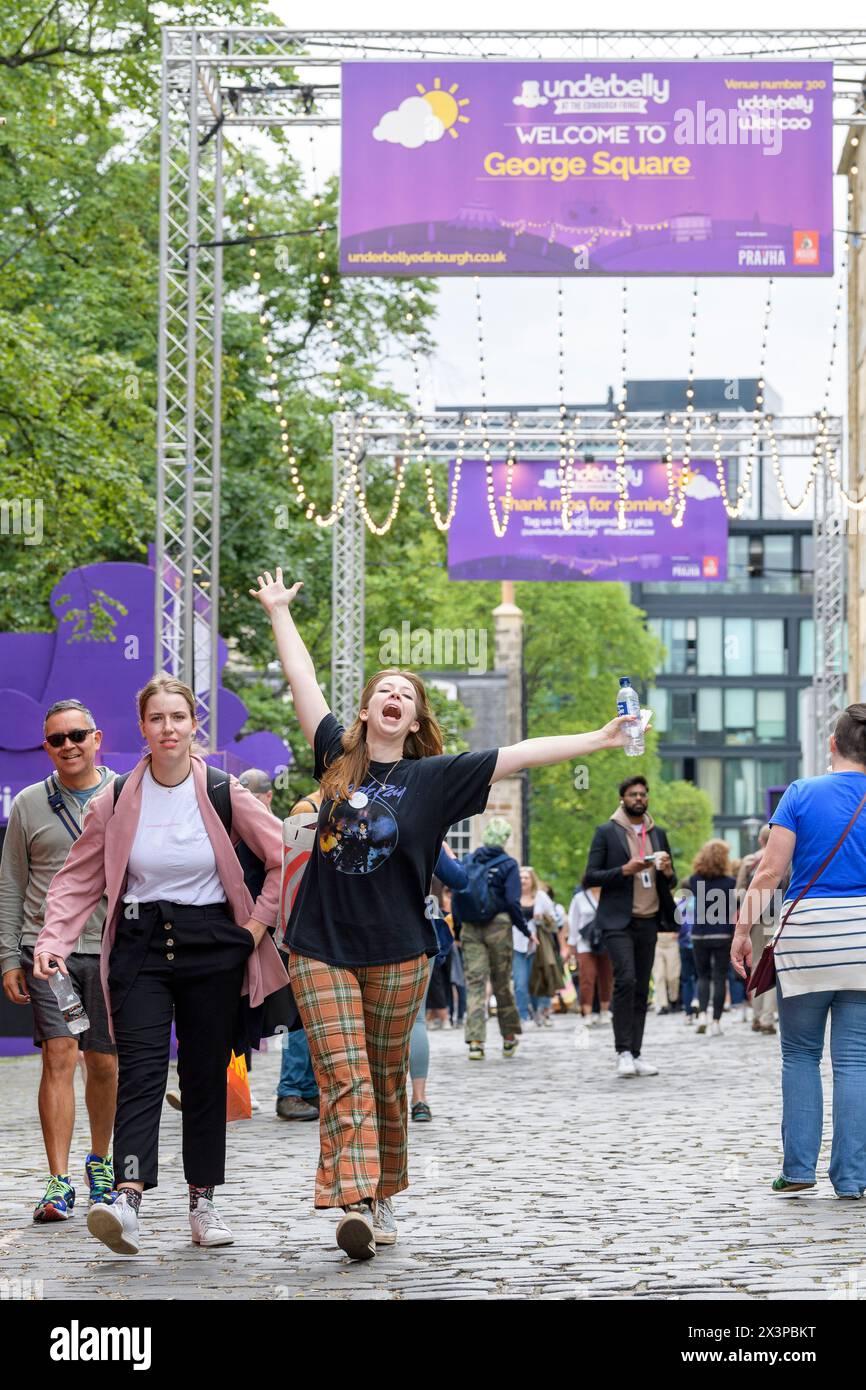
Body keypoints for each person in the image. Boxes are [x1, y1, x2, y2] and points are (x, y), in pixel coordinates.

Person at [253, 567, 630, 1260]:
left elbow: (520, 754)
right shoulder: (336, 757)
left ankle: (384, 1189)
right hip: (318, 946)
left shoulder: (437, 777)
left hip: (400, 950)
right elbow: (303, 680)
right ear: (365, 711)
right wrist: (278, 609)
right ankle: (359, 1199)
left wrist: (601, 740)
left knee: (389, 1079)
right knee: (345, 1075)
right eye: (383, 692)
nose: (394, 699)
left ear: (416, 719)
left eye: (407, 695)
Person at [33, 674, 287, 1256]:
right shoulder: (117, 797)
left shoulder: (224, 791)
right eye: (156, 719)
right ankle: (127, 1196)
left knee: (203, 1076)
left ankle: (203, 1201)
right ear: (142, 727)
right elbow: (76, 879)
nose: (167, 728)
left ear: (193, 724)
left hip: (211, 943)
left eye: (178, 717)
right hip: (140, 944)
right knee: (140, 1073)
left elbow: (284, 859)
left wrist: (250, 931)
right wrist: (53, 939)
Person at [732, 704, 866, 1199]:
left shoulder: (800, 793)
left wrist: (743, 930)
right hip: (864, 940)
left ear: (832, 746)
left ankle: (798, 1169)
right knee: (856, 1061)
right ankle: (852, 1177)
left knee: (800, 1054)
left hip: (808, 937)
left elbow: (768, 873)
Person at [0, 700, 118, 1223]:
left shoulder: (126, 794)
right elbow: (11, 885)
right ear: (46, 747)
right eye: (56, 739)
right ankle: (58, 1181)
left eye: (77, 735)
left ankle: (100, 1165)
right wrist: (9, 956)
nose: (68, 745)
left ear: (97, 738)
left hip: (114, 951)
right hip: (49, 954)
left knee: (105, 1063)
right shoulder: (28, 803)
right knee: (59, 1056)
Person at [584, 775, 677, 1078]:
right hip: (617, 920)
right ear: (622, 798)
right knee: (624, 980)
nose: (639, 798)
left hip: (648, 919)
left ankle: (635, 1052)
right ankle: (622, 1050)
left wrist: (666, 869)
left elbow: (671, 881)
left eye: (643, 794)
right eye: (633, 794)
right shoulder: (606, 832)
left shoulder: (658, 834)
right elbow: (591, 876)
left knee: (640, 987)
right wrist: (625, 870)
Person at [457, 819, 529, 1060]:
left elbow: (458, 891)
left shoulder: (470, 860)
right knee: (501, 982)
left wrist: (459, 926)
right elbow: (512, 902)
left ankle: (476, 1042)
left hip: (470, 927)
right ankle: (509, 1038)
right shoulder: (508, 864)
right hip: (498, 925)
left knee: (475, 983)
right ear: (505, 839)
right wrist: (526, 931)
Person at [409, 847, 467, 1123]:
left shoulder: (367, 820)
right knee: (415, 1018)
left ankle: (371, 1097)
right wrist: (449, 854)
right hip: (421, 923)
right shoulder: (429, 824)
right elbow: (459, 878)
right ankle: (419, 1098)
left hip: (372, 923)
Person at [275, 787, 323, 1122]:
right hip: (303, 928)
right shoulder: (305, 811)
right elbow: (291, 875)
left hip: (323, 927)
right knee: (298, 1016)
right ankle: (290, 1091)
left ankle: (306, 1090)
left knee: (313, 1017)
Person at [686, 840, 737, 1037]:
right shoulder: (730, 883)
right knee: (720, 977)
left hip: (699, 934)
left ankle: (702, 1017)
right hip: (722, 933)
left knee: (703, 976)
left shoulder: (694, 880)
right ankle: (716, 1021)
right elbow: (732, 910)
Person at [735, 825, 780, 1036]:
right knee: (774, 965)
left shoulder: (749, 862)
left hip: (755, 919)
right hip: (777, 917)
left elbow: (738, 893)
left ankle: (755, 1015)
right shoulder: (786, 861)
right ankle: (767, 1018)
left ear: (761, 841)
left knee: (755, 965)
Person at [567, 883, 612, 1028]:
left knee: (607, 977)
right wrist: (572, 945)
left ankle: (605, 1011)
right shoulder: (580, 898)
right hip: (585, 943)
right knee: (587, 977)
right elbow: (573, 921)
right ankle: (587, 1013)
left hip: (606, 941)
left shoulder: (610, 894)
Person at [523, 867, 558, 1027]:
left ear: (532, 880)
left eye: (526, 877)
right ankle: (528, 1013)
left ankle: (544, 1010)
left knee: (543, 975)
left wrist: (541, 918)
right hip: (520, 943)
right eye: (520, 878)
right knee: (523, 981)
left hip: (541, 943)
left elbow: (554, 919)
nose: (523, 880)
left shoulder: (541, 897)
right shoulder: (513, 895)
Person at [676, 888, 698, 1023]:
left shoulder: (680, 905)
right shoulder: (698, 902)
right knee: (700, 975)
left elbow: (677, 924)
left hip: (684, 944)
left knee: (686, 979)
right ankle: (697, 999)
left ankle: (688, 1013)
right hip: (698, 943)